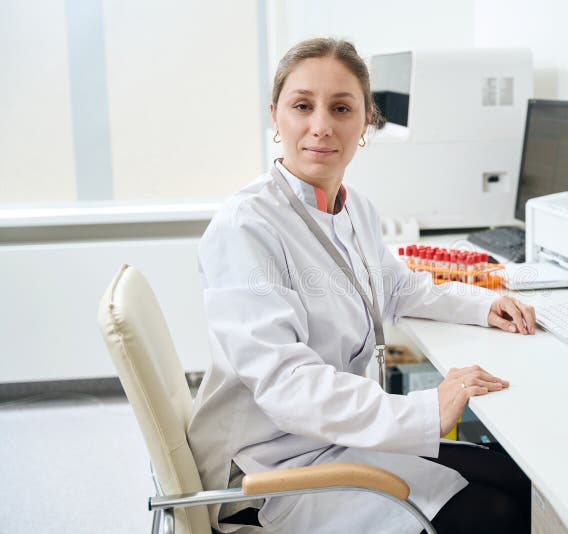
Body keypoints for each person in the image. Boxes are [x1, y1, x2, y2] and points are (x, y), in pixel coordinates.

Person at [187, 37, 536, 533]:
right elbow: (286, 385)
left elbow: (396, 287)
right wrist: (422, 409)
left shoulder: (354, 210)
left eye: (342, 108)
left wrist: (485, 305)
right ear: (275, 116)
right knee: (499, 515)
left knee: (518, 481)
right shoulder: (246, 228)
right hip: (269, 468)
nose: (321, 126)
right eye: (303, 106)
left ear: (366, 121)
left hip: (338, 436)